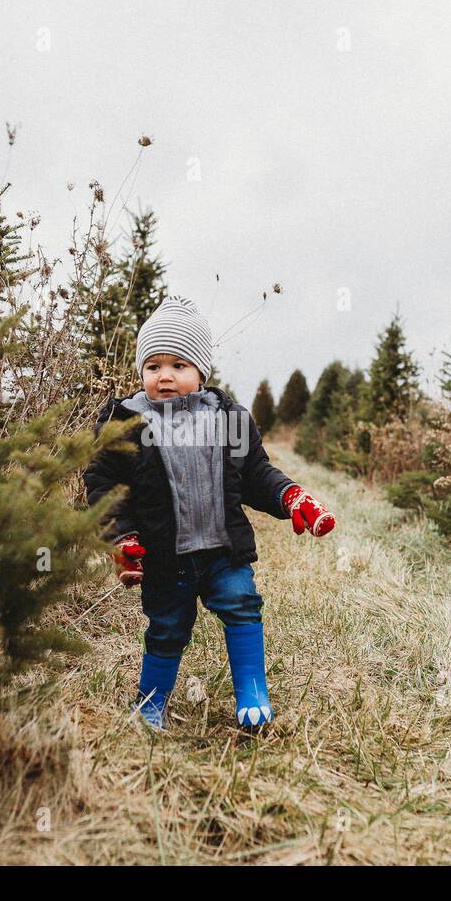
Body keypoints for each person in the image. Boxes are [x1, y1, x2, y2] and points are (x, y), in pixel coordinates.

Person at [83, 295, 337, 731]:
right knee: (166, 627)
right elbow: (105, 486)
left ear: (201, 371)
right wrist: (120, 539)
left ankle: (253, 693)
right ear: (141, 371)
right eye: (153, 366)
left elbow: (256, 474)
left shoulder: (228, 418)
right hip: (165, 557)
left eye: (179, 365)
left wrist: (292, 497)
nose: (164, 376)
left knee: (242, 605)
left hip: (224, 552)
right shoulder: (124, 423)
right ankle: (151, 702)